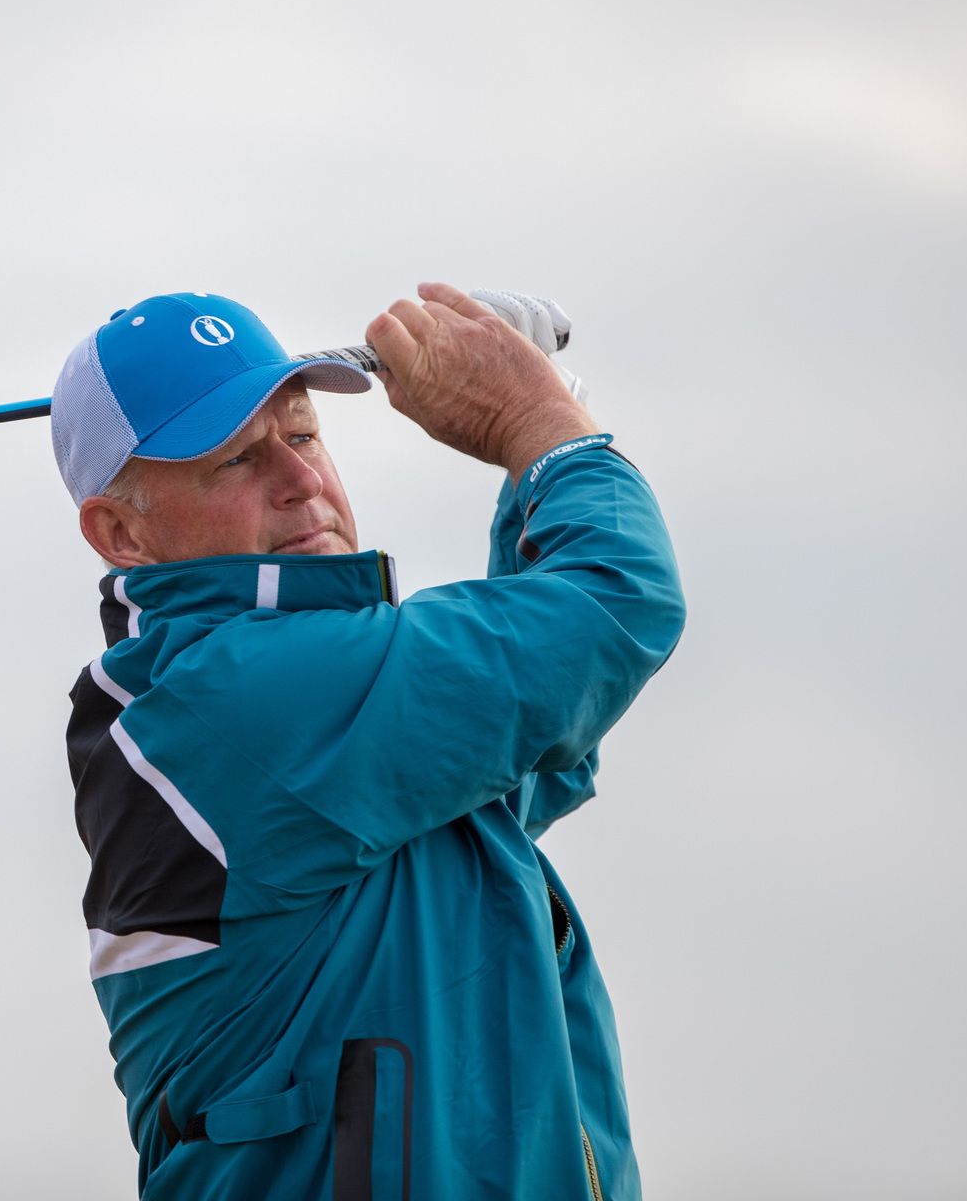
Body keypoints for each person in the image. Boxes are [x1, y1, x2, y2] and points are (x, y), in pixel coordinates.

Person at [51, 284, 685, 1200]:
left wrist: (546, 427)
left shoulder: (275, 707)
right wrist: (537, 425)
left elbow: (533, 748)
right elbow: (615, 604)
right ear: (120, 533)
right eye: (237, 460)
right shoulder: (230, 697)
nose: (301, 480)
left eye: (303, 436)